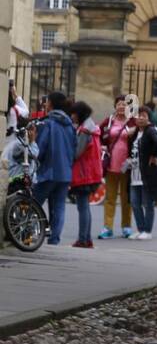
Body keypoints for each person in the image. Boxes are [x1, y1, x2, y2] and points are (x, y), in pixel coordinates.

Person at [32, 91, 77, 245]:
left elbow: (40, 147)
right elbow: (74, 149)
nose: (45, 104)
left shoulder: (48, 123)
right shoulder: (70, 125)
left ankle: (27, 233)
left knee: (33, 202)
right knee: (59, 206)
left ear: (51, 104)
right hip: (65, 172)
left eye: (47, 101)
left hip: (48, 170)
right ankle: (54, 239)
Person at [124, 106, 157, 239]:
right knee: (135, 203)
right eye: (138, 115)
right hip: (134, 173)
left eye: (144, 115)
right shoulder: (136, 133)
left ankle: (147, 231)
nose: (140, 118)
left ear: (148, 118)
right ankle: (140, 228)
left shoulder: (151, 131)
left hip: (146, 174)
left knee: (147, 203)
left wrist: (154, 155)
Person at [68, 100, 103, 248]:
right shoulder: (92, 127)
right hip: (92, 172)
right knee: (85, 207)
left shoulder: (84, 131)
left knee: (82, 207)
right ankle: (86, 239)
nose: (72, 116)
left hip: (84, 173)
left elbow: (77, 153)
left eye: (73, 113)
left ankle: (83, 239)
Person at [98, 95, 134, 238]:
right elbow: (98, 134)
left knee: (127, 199)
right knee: (110, 198)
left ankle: (126, 227)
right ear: (115, 106)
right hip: (111, 164)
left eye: (124, 104)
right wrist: (101, 146)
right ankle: (108, 227)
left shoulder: (133, 122)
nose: (121, 107)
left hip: (127, 166)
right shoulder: (109, 121)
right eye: (119, 104)